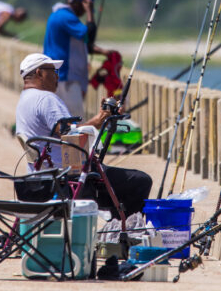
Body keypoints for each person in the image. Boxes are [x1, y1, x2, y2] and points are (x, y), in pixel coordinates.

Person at [14, 52, 151, 216]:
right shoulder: (46, 99)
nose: (57, 77)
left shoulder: (24, 99)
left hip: (42, 176)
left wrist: (97, 120)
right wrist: (99, 120)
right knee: (140, 181)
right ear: (39, 73)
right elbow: (71, 136)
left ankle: (114, 225)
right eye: (53, 72)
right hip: (68, 177)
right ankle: (121, 230)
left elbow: (66, 132)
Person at [43, 0, 112, 121]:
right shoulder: (67, 17)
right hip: (66, 78)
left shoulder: (57, 15)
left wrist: (105, 52)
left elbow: (83, 43)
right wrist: (90, 13)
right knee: (75, 123)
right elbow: (89, 36)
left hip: (57, 76)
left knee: (59, 121)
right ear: (82, 2)